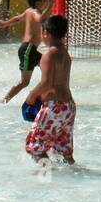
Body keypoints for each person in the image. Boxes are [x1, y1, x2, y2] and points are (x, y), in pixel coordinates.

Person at [24, 13, 75, 165]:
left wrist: (31, 96)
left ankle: (46, 177)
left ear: (46, 33)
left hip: (55, 107)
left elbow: (47, 83)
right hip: (68, 107)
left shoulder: (49, 55)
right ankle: (75, 177)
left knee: (35, 147)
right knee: (63, 150)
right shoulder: (65, 54)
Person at [0, 0, 51, 102]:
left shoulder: (28, 11)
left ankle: (44, 97)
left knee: (50, 69)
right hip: (28, 50)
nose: (45, 3)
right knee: (24, 82)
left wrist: (5, 23)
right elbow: (41, 19)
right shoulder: (35, 12)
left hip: (30, 50)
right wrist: (50, 6)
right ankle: (4, 100)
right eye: (44, 1)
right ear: (38, 3)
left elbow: (17, 18)